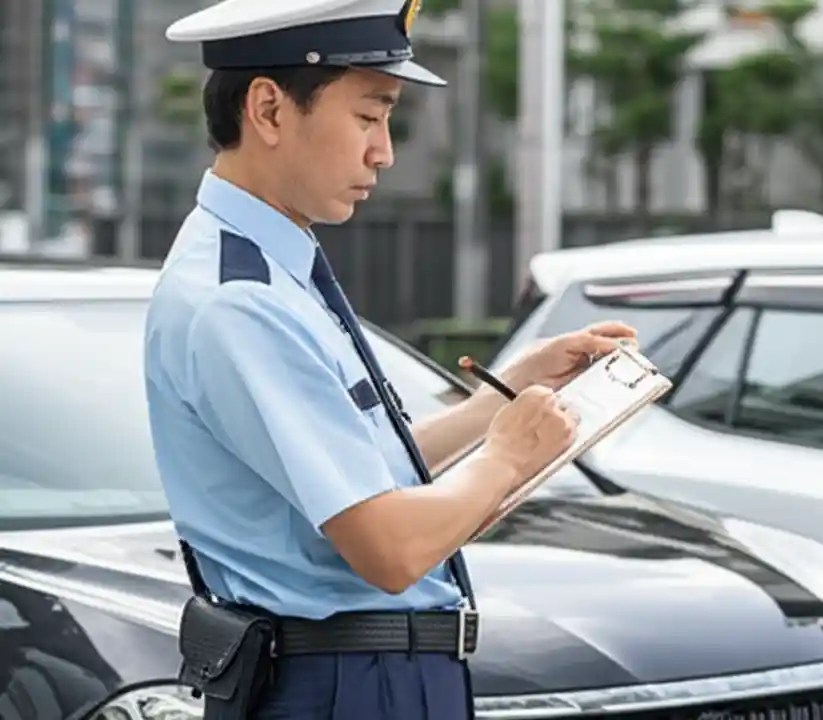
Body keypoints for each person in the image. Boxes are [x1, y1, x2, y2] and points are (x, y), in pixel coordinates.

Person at [143, 0, 635, 717]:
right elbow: (391, 549)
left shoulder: (266, 268)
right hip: (344, 681)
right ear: (270, 111)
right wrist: (508, 456)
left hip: (359, 673)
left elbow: (368, 479)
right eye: (370, 116)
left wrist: (503, 398)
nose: (384, 151)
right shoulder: (239, 300)